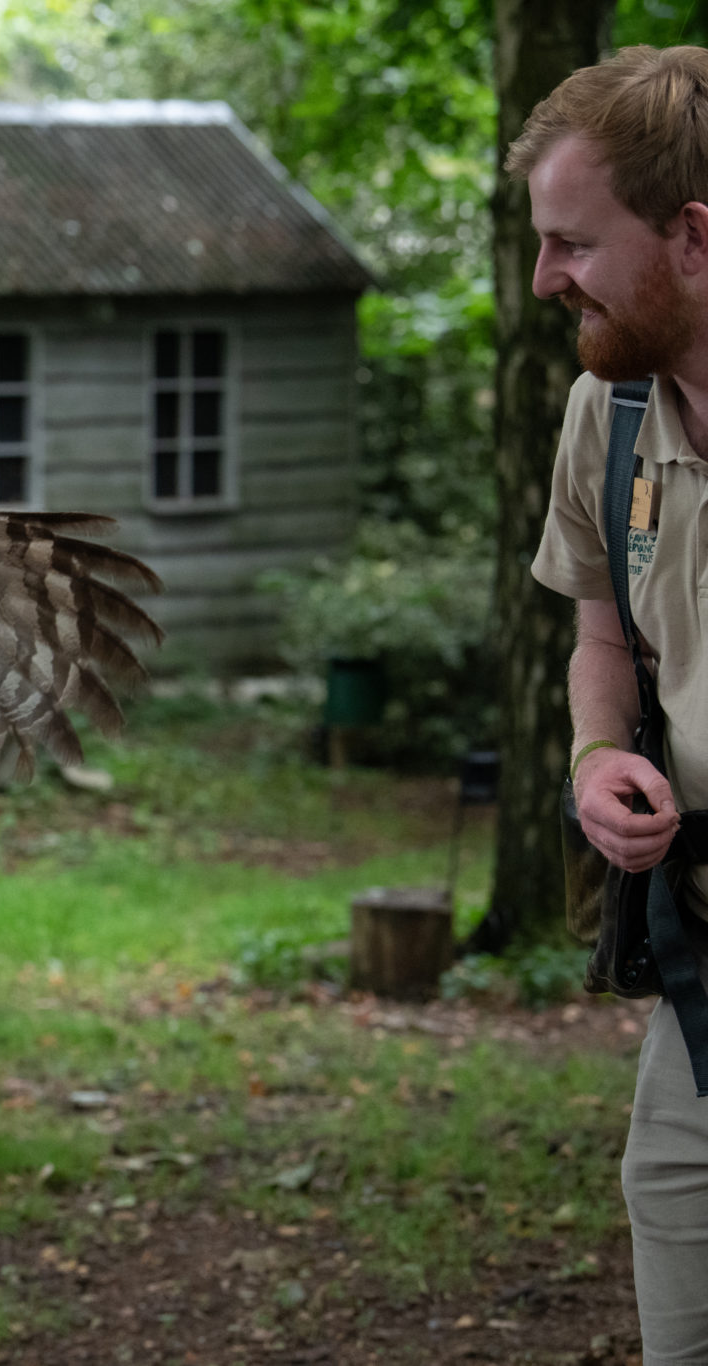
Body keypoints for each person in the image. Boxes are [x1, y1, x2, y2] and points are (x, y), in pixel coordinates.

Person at [525, 44, 708, 1364]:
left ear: (691, 236)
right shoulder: (611, 413)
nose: (545, 280)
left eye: (574, 244)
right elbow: (601, 627)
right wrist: (598, 757)